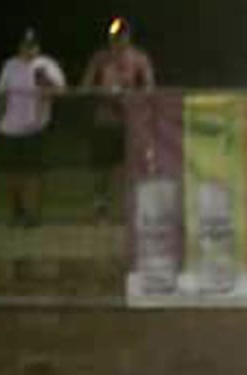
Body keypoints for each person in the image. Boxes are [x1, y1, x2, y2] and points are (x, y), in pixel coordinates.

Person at [80, 17, 156, 223]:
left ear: (128, 36)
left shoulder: (139, 58)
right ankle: (101, 209)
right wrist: (101, 92)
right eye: (115, 37)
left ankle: (130, 210)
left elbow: (150, 87)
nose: (118, 41)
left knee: (129, 168)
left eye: (122, 36)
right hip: (104, 120)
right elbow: (85, 87)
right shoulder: (100, 58)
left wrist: (131, 95)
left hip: (130, 121)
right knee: (101, 169)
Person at [0, 28, 67, 228]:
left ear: (38, 47)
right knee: (13, 173)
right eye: (26, 45)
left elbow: (61, 91)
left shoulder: (47, 65)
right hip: (10, 127)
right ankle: (17, 211)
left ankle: (33, 215)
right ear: (20, 46)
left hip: (36, 127)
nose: (29, 49)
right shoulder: (10, 65)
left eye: (33, 45)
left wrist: (46, 81)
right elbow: (2, 94)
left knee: (34, 173)